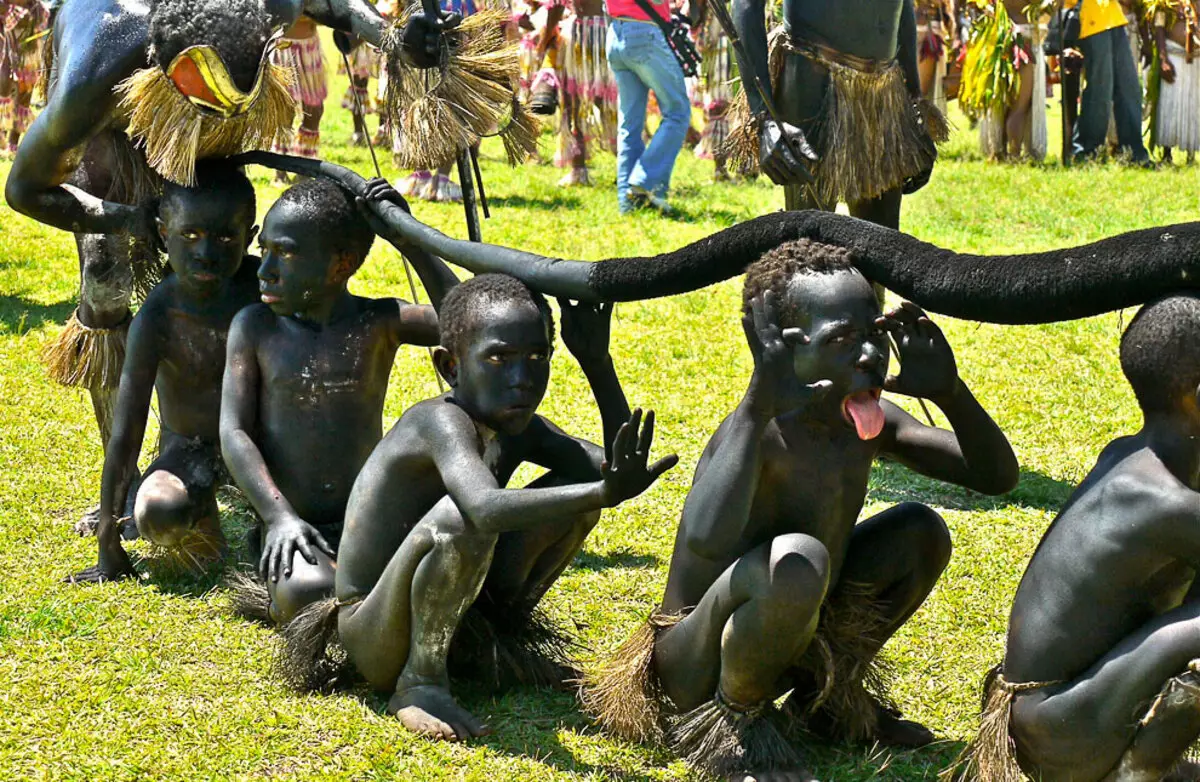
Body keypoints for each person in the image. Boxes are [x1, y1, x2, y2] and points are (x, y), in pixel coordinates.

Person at [581, 240, 1017, 780]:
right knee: (798, 558)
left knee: (919, 531)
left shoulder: (866, 420)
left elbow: (996, 477)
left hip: (797, 626)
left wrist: (950, 392)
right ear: (783, 350)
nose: (868, 356)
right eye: (841, 340)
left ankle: (823, 706)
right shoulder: (757, 433)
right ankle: (735, 725)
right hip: (694, 662)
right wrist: (756, 402)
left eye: (873, 335)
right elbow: (705, 541)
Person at [3, 0, 443, 532]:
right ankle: (119, 485)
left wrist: (394, 36)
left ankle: (229, 441)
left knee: (224, 267)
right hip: (115, 131)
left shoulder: (262, 9)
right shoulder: (96, 73)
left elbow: (329, 5)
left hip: (198, 98)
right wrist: (128, 220)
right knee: (106, 285)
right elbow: (25, 190)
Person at [275, 274, 676, 740]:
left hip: (463, 615)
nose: (523, 379)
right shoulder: (439, 421)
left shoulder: (518, 425)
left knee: (575, 502)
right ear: (450, 367)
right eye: (499, 359)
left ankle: (496, 644)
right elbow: (482, 508)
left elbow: (610, 470)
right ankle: (419, 681)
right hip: (376, 631)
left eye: (537, 358)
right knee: (461, 518)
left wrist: (598, 364)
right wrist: (602, 492)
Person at [951, 294, 1200, 782]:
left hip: (1062, 717)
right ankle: (1132, 776)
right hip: (1060, 733)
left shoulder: (1135, 457)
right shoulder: (1158, 500)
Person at [221, 177, 457, 624]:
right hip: (294, 525)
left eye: (285, 253)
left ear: (340, 265)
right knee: (312, 594)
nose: (264, 269)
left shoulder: (378, 321)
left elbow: (468, 322)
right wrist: (278, 518)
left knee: (441, 571)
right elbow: (233, 432)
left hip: (371, 515)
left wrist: (411, 243)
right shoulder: (256, 327)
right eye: (265, 248)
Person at [66, 161, 261, 584]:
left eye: (226, 237)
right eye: (189, 235)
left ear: (251, 236)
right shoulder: (158, 316)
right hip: (188, 449)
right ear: (161, 233)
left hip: (263, 445)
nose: (206, 253)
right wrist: (108, 546)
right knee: (158, 512)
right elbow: (127, 432)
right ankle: (203, 516)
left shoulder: (265, 288)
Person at [724, 0, 948, 229]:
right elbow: (745, 4)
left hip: (883, 92)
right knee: (808, 241)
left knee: (883, 244)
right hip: (813, 81)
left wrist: (914, 103)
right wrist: (763, 118)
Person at [605, 0, 690, 214]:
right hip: (644, 33)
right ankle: (645, 181)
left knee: (629, 124)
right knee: (678, 112)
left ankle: (629, 204)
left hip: (616, 32)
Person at [1067, 0, 1151, 162]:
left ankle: (1133, 153)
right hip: (1092, 19)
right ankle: (1087, 151)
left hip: (1114, 18)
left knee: (1129, 88)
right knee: (1100, 89)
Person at [270, 15, 327, 180]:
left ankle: (305, 166)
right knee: (285, 110)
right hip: (283, 47)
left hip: (310, 47)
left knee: (315, 110)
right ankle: (280, 170)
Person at [1150, 0, 1200, 164]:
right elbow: (1159, 30)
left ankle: (1191, 153)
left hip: (1195, 59)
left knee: (1193, 104)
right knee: (1169, 103)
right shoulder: (1164, 3)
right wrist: (1163, 60)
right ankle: (1166, 153)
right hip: (1172, 58)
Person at [0, 0, 48, 158]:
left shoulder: (38, 9)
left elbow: (37, 30)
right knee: (3, 90)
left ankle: (13, 144)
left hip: (29, 57)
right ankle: (1, 139)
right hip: (9, 53)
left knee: (24, 98)